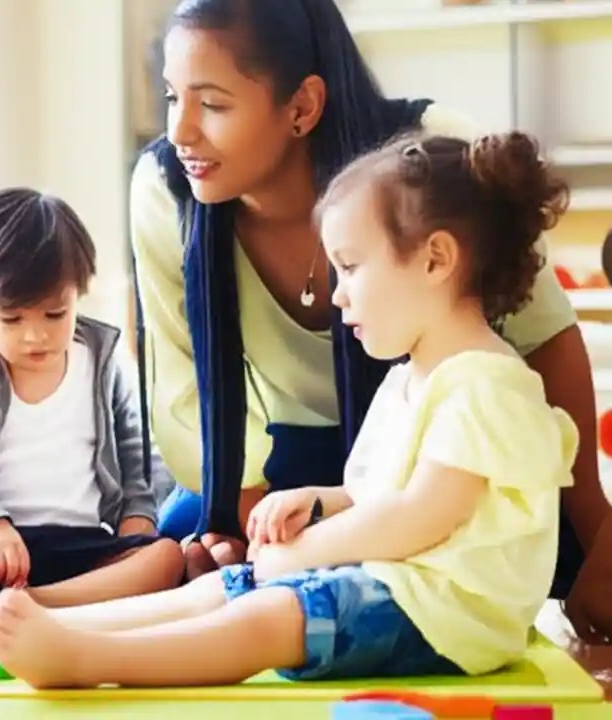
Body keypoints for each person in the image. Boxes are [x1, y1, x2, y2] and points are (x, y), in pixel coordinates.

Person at [0, 130, 579, 688]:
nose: (336, 294)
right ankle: (69, 623)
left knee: (273, 610)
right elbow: (375, 499)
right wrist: (314, 501)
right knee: (226, 587)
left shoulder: (487, 386)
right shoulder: (407, 382)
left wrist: (309, 550)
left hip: (446, 617)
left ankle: (86, 661)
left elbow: (422, 516)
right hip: (396, 588)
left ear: (435, 259)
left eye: (350, 267)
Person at [131, 0, 612, 641]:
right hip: (283, 463)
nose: (181, 132)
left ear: (301, 106)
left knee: (526, 560)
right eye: (171, 98)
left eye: (213, 105)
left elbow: (545, 335)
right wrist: (249, 533)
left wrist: (598, 536)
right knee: (184, 557)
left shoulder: (426, 159)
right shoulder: (167, 189)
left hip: (445, 452)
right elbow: (182, 394)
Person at [0, 188, 185, 640]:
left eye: (55, 314)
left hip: (83, 546)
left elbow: (135, 452)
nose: (35, 335)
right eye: (12, 320)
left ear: (79, 295)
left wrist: (138, 514)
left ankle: (27, 607)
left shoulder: (103, 363)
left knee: (166, 558)